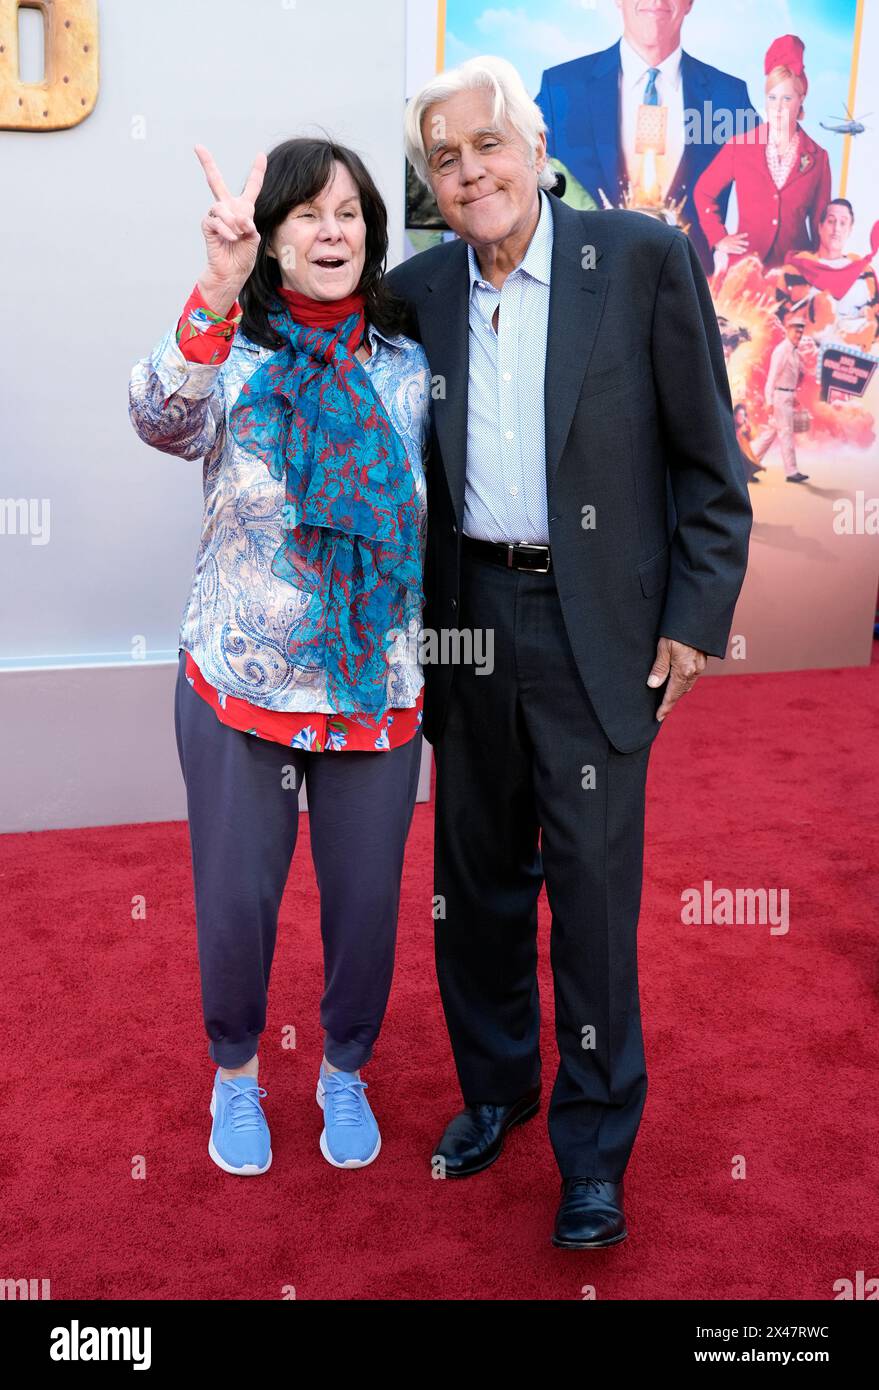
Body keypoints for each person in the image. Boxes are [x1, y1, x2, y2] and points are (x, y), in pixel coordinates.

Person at [391, 55, 752, 1248]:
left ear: (533, 144)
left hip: (593, 626)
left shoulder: (641, 260)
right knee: (475, 888)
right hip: (464, 622)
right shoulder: (419, 291)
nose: (468, 173)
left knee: (591, 906)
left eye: (484, 145)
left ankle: (593, 1152)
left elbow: (712, 465)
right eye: (444, 159)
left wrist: (696, 615)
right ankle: (498, 1088)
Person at [128, 138, 431, 1175]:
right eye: (306, 214)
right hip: (235, 681)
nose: (331, 231)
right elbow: (157, 416)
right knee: (238, 900)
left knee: (365, 906)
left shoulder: (407, 365)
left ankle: (343, 1068)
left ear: (372, 234)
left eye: (349, 212)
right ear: (272, 240)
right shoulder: (233, 359)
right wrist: (212, 290)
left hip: (374, 684)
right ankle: (237, 1076)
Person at [535, 0, 760, 273]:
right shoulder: (561, 88)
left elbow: (767, 187)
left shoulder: (730, 97)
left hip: (694, 295)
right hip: (587, 282)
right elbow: (525, 174)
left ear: (689, 3)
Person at [694, 34, 831, 274]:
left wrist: (817, 272)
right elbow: (704, 191)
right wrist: (719, 238)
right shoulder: (740, 146)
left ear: (801, 99)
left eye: (787, 98)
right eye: (772, 98)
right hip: (745, 270)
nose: (777, 107)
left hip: (793, 274)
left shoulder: (819, 158)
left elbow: (820, 221)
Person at [771, 199, 879, 352]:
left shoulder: (865, 273)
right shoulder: (793, 271)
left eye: (843, 223)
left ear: (850, 230)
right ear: (820, 227)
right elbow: (777, 321)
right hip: (805, 362)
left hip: (853, 366)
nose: (836, 229)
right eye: (831, 221)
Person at [752, 316, 810, 482]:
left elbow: (789, 378)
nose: (799, 334)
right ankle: (791, 472)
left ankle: (746, 465)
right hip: (779, 398)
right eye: (796, 330)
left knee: (770, 434)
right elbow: (772, 377)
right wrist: (769, 401)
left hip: (786, 396)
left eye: (801, 331)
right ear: (788, 330)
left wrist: (794, 396)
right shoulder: (782, 350)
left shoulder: (793, 351)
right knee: (785, 433)